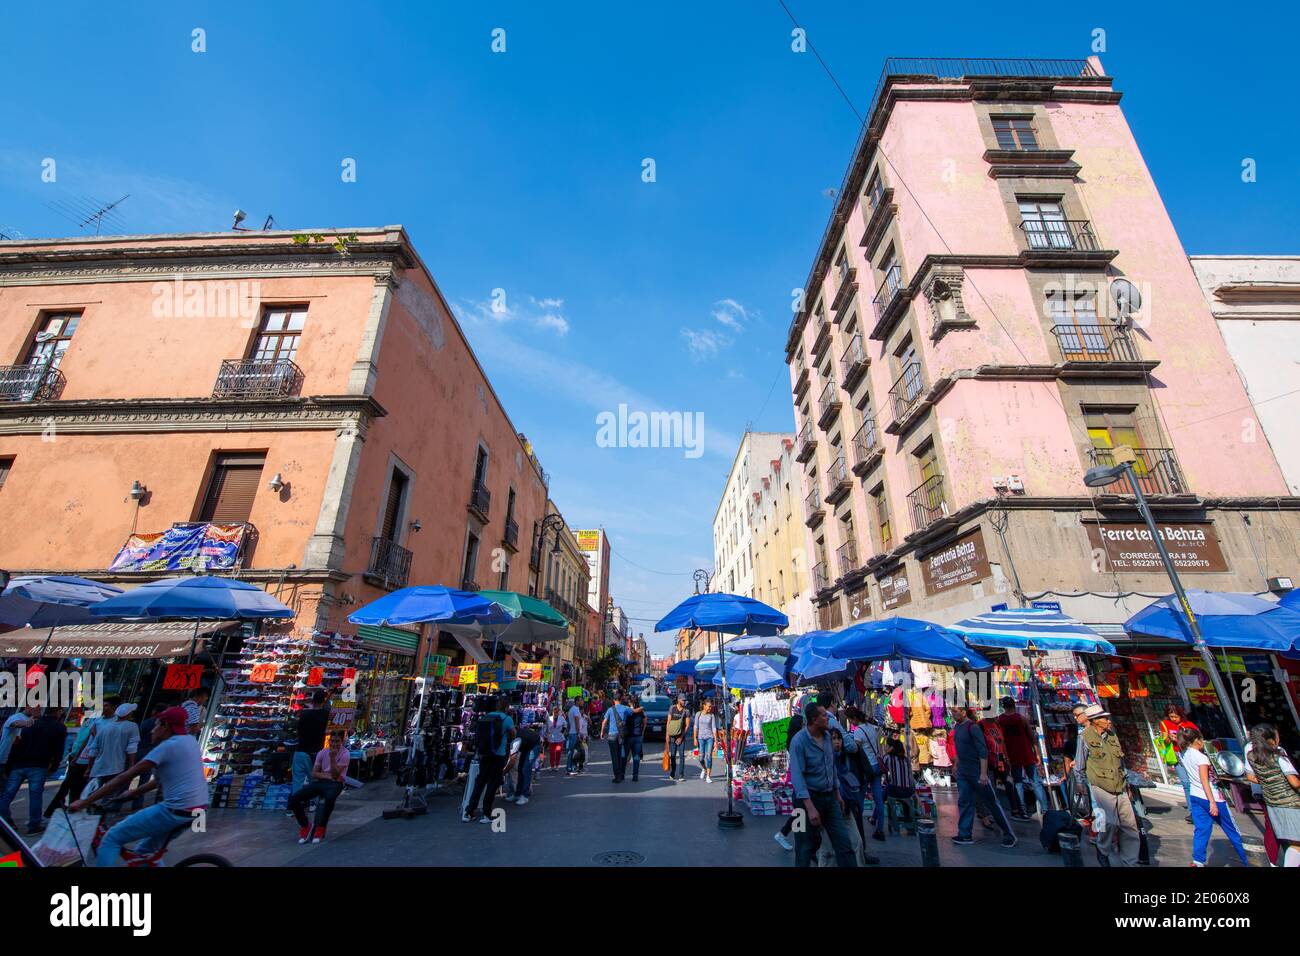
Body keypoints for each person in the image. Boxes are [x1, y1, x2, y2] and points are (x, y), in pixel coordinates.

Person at [70, 707, 210, 867]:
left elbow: (124, 777)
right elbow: (158, 781)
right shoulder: (190, 741)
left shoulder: (168, 746)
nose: (152, 730)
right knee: (146, 851)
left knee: (111, 838)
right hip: (198, 811)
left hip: (175, 810)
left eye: (157, 725)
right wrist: (133, 792)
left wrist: (85, 802)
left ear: (166, 727)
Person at [788, 702, 858, 868]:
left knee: (844, 845)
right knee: (803, 848)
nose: (828, 718)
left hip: (830, 799)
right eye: (824, 715)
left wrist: (837, 793)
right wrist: (810, 807)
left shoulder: (828, 737)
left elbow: (831, 766)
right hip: (803, 803)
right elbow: (797, 778)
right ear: (814, 719)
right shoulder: (798, 741)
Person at [1078, 704, 1140, 866]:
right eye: (1104, 718)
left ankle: (1130, 861)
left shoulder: (1112, 736)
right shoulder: (1084, 737)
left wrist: (1127, 785)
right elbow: (1080, 764)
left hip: (1120, 784)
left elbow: (1120, 761)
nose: (1108, 720)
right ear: (1095, 721)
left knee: (1130, 825)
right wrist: (1081, 784)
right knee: (1110, 822)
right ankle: (1102, 849)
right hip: (1100, 784)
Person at [1177, 726, 1248, 867]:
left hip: (1195, 796)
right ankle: (1248, 859)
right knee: (1232, 830)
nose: (1203, 742)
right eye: (1201, 739)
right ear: (1197, 740)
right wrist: (1212, 802)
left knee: (1201, 829)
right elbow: (1204, 780)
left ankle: (1198, 861)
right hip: (1212, 797)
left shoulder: (1183, 755)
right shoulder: (1201, 757)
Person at [952, 706, 1017, 848]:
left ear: (963, 712)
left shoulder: (973, 728)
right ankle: (964, 833)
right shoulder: (957, 727)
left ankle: (1008, 834)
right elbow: (959, 748)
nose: (953, 715)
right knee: (964, 801)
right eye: (952, 712)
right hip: (963, 770)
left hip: (976, 771)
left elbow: (982, 751)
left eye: (955, 712)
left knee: (991, 802)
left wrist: (983, 773)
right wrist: (956, 765)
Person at [0, 706, 65, 835]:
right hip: (38, 765)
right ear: (57, 711)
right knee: (35, 795)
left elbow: (16, 746)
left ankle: (4, 822)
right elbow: (58, 750)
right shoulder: (58, 727)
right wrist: (54, 767)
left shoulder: (29, 726)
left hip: (19, 764)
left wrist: (10, 766)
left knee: (7, 794)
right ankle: (33, 825)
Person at [1244, 723, 1300, 867]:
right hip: (1291, 804)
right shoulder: (1279, 756)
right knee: (1297, 844)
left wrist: (1267, 782)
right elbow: (1294, 783)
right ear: (1271, 739)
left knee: (1292, 841)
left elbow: (1250, 776)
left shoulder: (1252, 756)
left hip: (1272, 804)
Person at [287, 732, 350, 844]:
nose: (334, 744)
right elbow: (314, 774)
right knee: (294, 799)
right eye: (332, 741)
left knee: (329, 799)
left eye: (337, 741)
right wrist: (329, 776)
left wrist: (332, 758)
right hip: (322, 782)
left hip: (336, 784)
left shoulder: (345, 754)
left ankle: (321, 828)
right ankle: (305, 825)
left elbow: (336, 774)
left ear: (342, 742)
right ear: (329, 741)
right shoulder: (322, 753)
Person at [463, 696, 515, 823]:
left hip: (484, 753)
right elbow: (514, 734)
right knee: (493, 784)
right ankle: (486, 814)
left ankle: (469, 812)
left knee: (480, 782)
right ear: (507, 707)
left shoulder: (486, 716)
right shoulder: (507, 719)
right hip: (498, 754)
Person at [997, 697, 1047, 817]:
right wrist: (1037, 753)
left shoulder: (1000, 720)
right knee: (1035, 782)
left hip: (1012, 755)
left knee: (1018, 782)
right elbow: (1032, 737)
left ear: (1003, 707)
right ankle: (1045, 810)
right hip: (1026, 753)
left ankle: (1022, 810)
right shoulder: (1022, 719)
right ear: (1014, 705)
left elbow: (1000, 740)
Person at [84, 703, 141, 790]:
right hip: (117, 769)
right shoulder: (132, 726)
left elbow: (93, 750)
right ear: (129, 714)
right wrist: (131, 766)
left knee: (89, 796)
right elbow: (131, 748)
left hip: (98, 768)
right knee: (111, 797)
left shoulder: (105, 728)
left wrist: (89, 768)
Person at [1158, 703, 1199, 823]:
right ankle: (1193, 812)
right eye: (1171, 716)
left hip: (1190, 755)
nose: (1174, 719)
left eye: (1176, 716)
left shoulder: (1189, 724)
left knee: (1195, 782)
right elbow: (1163, 741)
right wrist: (1169, 738)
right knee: (1186, 783)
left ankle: (1200, 809)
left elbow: (1198, 739)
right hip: (1177, 755)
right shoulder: (1165, 724)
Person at [773, 712, 805, 851]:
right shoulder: (797, 741)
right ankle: (788, 836)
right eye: (803, 724)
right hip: (797, 781)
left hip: (796, 779)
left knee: (800, 812)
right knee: (800, 812)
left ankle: (789, 836)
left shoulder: (794, 740)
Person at [291, 690, 330, 797]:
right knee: (315, 781)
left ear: (313, 701)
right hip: (315, 753)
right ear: (324, 701)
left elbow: (298, 730)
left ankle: (294, 807)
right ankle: (313, 805)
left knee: (297, 782)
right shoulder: (326, 715)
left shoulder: (304, 714)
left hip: (300, 751)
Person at [0, 706, 37, 805]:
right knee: (4, 790)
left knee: (6, 790)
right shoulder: (16, 717)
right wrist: (30, 722)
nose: (38, 711)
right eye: (36, 708)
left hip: (12, 759)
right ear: (28, 707)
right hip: (3, 758)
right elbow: (16, 723)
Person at [602, 694, 631, 783]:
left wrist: (602, 733)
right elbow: (632, 712)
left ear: (613, 700)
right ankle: (621, 774)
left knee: (614, 757)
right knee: (621, 755)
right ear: (621, 699)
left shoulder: (610, 710)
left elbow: (604, 722)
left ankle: (617, 775)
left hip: (612, 735)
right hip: (621, 735)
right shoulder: (625, 708)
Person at [511, 719, 541, 805]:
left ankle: (525, 795)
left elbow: (512, 758)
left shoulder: (515, 737)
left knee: (525, 769)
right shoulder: (512, 734)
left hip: (534, 746)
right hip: (527, 746)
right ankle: (518, 793)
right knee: (521, 768)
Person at [665, 696, 691, 781]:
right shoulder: (672, 708)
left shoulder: (686, 711)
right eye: (683, 700)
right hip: (672, 735)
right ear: (679, 700)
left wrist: (681, 737)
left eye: (685, 700)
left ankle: (681, 775)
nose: (684, 701)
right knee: (672, 755)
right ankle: (673, 772)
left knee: (681, 755)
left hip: (681, 736)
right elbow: (668, 722)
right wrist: (667, 735)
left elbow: (687, 725)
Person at [622, 696, 647, 782]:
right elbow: (645, 721)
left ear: (630, 702)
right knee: (636, 757)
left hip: (628, 736)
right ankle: (635, 776)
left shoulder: (627, 711)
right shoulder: (641, 711)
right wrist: (642, 731)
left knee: (624, 756)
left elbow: (623, 722)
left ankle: (622, 774)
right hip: (638, 736)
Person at [694, 699, 717, 784]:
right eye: (709, 706)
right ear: (704, 706)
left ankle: (708, 776)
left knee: (709, 757)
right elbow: (695, 726)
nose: (710, 708)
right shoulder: (698, 714)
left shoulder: (712, 716)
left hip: (709, 737)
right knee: (701, 758)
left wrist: (715, 742)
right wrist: (695, 738)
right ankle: (704, 768)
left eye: (711, 706)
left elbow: (714, 728)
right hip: (700, 738)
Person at [544, 706, 566, 771]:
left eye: (557, 711)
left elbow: (565, 725)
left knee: (558, 751)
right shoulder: (549, 718)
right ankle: (552, 766)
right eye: (554, 711)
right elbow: (546, 728)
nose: (555, 712)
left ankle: (557, 765)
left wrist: (562, 732)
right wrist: (546, 735)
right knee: (552, 752)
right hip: (551, 738)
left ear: (558, 712)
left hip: (559, 738)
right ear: (552, 712)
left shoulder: (561, 718)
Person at [565, 696, 583, 774]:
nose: (582, 702)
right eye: (581, 700)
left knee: (573, 751)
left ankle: (573, 767)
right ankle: (570, 768)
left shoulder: (573, 709)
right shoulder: (575, 710)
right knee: (572, 751)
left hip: (572, 733)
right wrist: (578, 733)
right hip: (574, 733)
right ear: (577, 702)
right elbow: (576, 722)